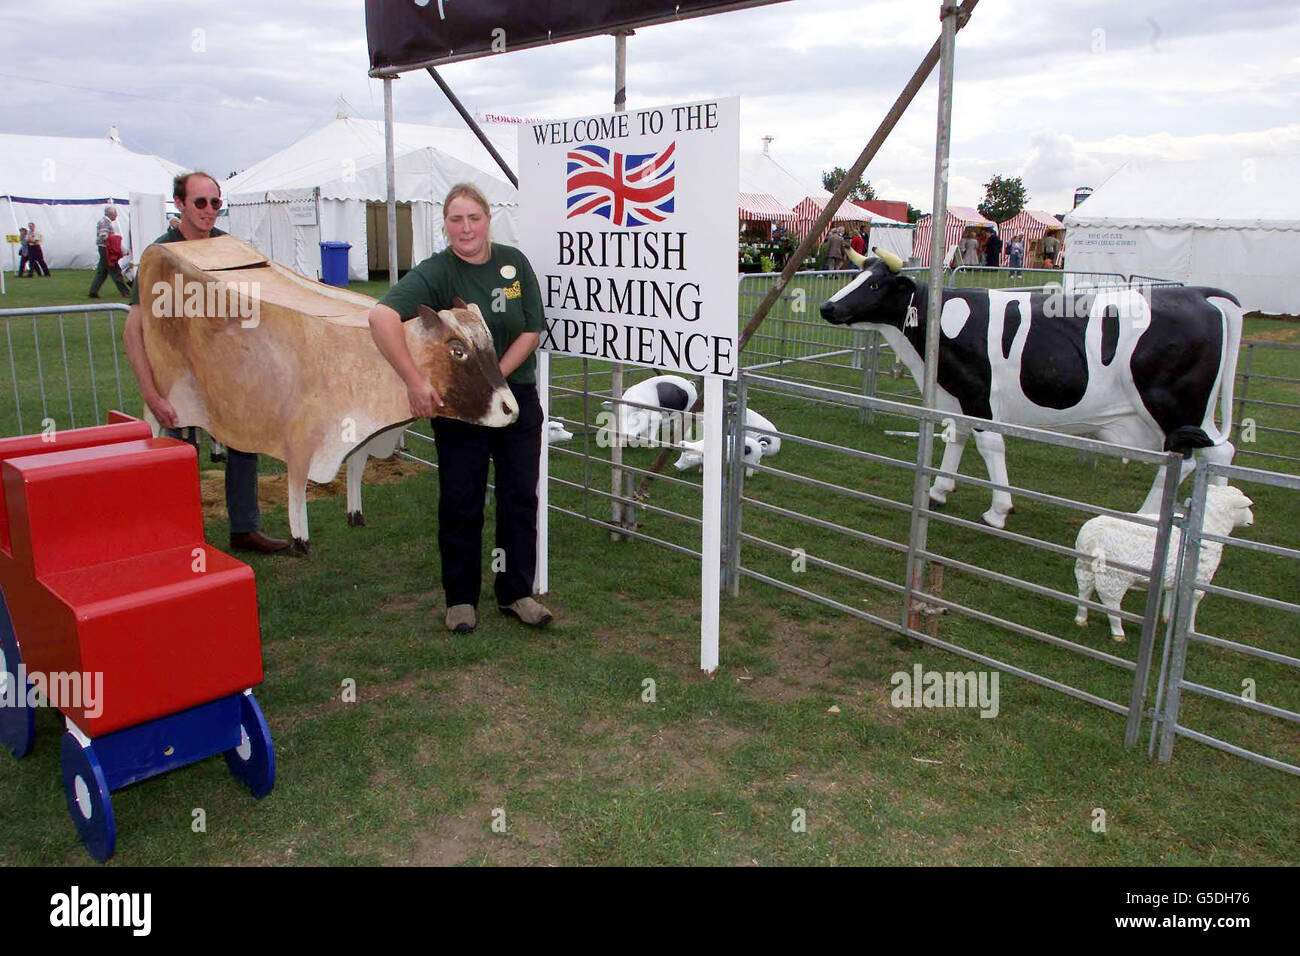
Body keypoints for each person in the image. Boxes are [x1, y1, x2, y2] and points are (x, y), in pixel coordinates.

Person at [368, 182, 551, 634]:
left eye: (474, 218)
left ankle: (516, 592)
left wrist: (495, 378)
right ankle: (461, 599)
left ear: (488, 219)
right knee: (461, 500)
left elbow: (531, 328)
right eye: (456, 219)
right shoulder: (438, 270)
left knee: (519, 497)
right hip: (462, 408)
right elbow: (380, 317)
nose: (465, 227)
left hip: (515, 399)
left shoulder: (514, 262)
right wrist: (414, 381)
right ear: (446, 224)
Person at [122, 170, 291, 556]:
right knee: (180, 455)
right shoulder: (160, 257)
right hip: (177, 377)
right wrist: (151, 393)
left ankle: (244, 529)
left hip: (225, 375)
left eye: (216, 203)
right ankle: (179, 536)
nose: (210, 211)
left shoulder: (230, 249)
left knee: (243, 445)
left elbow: (248, 313)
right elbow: (133, 331)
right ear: (179, 203)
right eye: (200, 202)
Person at [89, 205, 131, 297]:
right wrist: (114, 240)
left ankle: (93, 292)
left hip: (103, 248)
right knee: (115, 270)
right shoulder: (105, 222)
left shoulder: (104, 221)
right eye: (115, 213)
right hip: (106, 249)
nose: (116, 215)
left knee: (102, 272)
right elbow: (103, 235)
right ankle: (125, 292)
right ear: (111, 214)